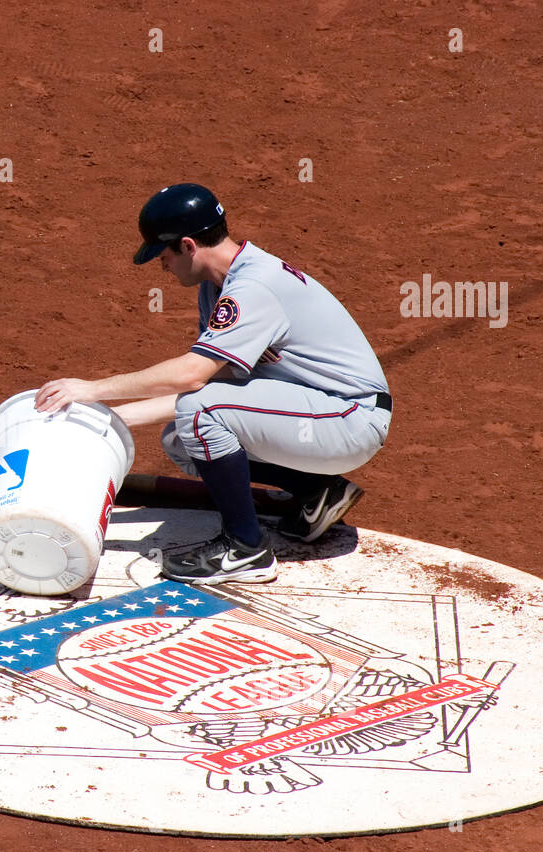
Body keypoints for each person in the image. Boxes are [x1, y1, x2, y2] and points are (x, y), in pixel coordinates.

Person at [34, 183, 392, 584]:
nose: (162, 266)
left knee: (199, 415)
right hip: (320, 413)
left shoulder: (252, 287)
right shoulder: (217, 286)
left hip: (349, 418)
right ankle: (316, 491)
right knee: (182, 437)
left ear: (188, 245)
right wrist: (109, 419)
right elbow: (211, 382)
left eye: (163, 254)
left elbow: (192, 377)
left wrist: (92, 389)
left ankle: (245, 548)